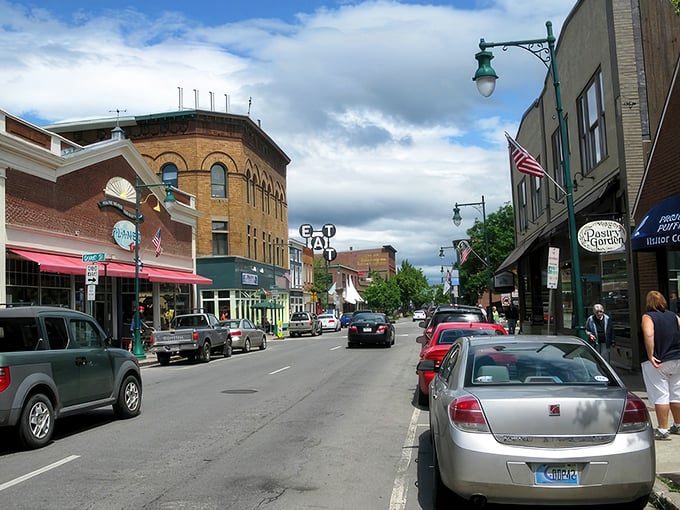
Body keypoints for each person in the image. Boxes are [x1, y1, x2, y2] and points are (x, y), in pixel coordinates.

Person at [640, 290, 680, 440]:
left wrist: (651, 355)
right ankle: (678, 424)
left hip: (659, 361)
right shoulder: (674, 316)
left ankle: (663, 429)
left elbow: (649, 334)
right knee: (677, 394)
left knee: (661, 394)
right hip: (677, 359)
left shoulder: (648, 317)